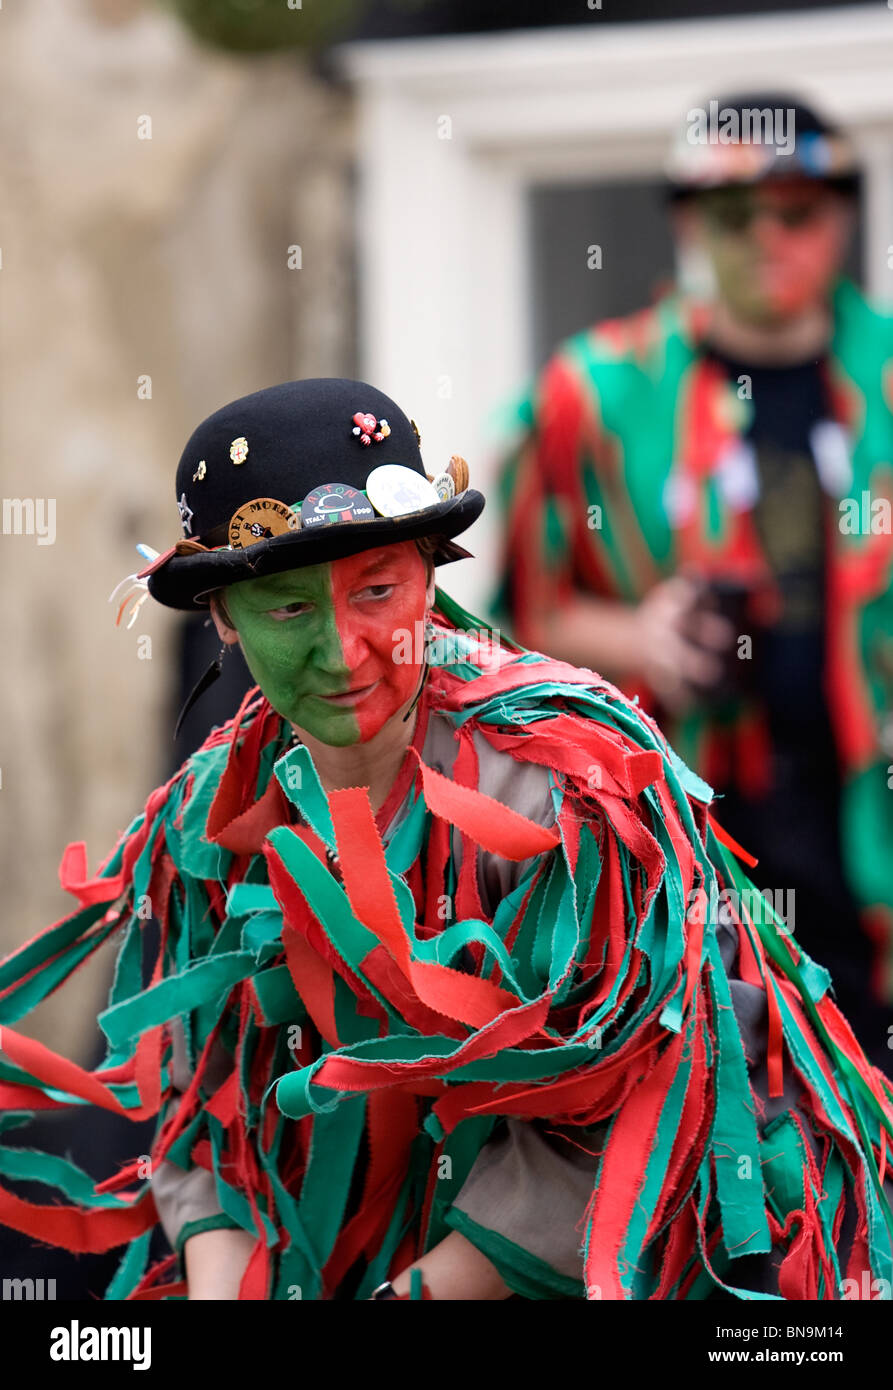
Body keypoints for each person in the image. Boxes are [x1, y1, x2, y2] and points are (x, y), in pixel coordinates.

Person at [0, 377, 890, 1301]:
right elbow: (214, 1132)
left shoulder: (571, 784)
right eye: (290, 610)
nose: (344, 653)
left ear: (430, 571)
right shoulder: (208, 820)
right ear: (224, 618)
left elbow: (627, 1121)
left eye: (376, 591)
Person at [492, 93, 893, 1065]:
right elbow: (510, 620)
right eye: (729, 215)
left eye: (794, 209)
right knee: (711, 1142)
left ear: (841, 216)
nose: (764, 237)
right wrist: (642, 640)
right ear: (684, 223)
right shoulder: (591, 389)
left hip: (867, 828)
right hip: (677, 835)